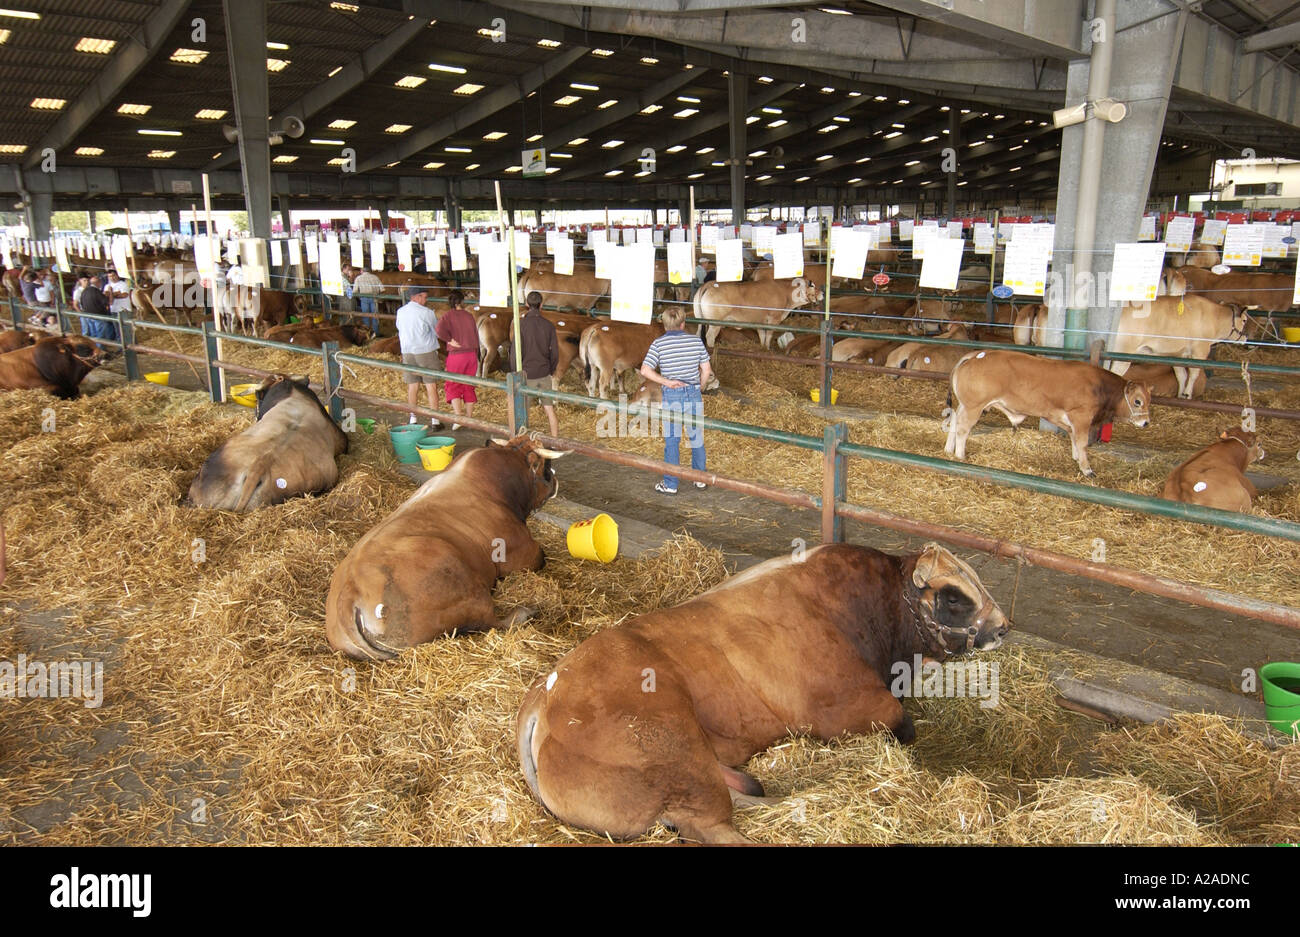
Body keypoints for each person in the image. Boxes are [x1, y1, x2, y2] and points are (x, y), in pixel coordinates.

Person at [640, 305, 712, 495]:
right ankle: (700, 479)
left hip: (672, 395)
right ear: (683, 323)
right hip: (693, 393)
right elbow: (706, 370)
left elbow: (645, 370)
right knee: (696, 437)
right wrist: (700, 387)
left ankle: (670, 484)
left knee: (672, 440)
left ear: (664, 325)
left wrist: (667, 382)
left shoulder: (658, 344)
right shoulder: (696, 341)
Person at [395, 286, 442, 428]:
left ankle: (413, 418)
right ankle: (435, 421)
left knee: (412, 385)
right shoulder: (427, 313)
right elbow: (437, 331)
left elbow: (399, 327)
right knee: (430, 385)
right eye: (424, 297)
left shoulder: (400, 312)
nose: (426, 300)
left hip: (407, 351)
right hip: (425, 351)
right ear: (417, 297)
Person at [435, 289, 480, 430]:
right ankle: (469, 418)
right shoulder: (469, 316)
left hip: (457, 355)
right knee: (469, 385)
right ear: (462, 301)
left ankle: (458, 417)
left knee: (453, 384)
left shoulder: (448, 315)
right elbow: (475, 335)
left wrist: (449, 340)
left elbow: (438, 330)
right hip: (471, 355)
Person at [519, 290, 560, 438]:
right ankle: (554, 440)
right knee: (549, 409)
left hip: (526, 374)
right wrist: (552, 368)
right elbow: (554, 351)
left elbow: (516, 350)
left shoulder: (521, 325)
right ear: (541, 305)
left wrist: (516, 371)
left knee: (523, 410)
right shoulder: (549, 326)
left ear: (526, 304)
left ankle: (520, 440)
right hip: (544, 373)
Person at [79, 275, 118, 343]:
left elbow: (81, 303)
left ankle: (94, 348)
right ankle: (99, 350)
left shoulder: (84, 291)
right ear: (98, 283)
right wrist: (110, 292)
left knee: (93, 335)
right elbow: (110, 302)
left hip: (88, 316)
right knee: (100, 336)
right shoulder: (96, 291)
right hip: (98, 316)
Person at [351, 266, 382, 335]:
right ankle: (376, 332)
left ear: (362, 271)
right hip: (374, 298)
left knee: (365, 315)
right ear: (369, 271)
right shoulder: (375, 277)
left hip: (364, 298)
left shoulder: (358, 278)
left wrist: (359, 295)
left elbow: (355, 291)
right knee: (375, 315)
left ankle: (367, 332)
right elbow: (382, 289)